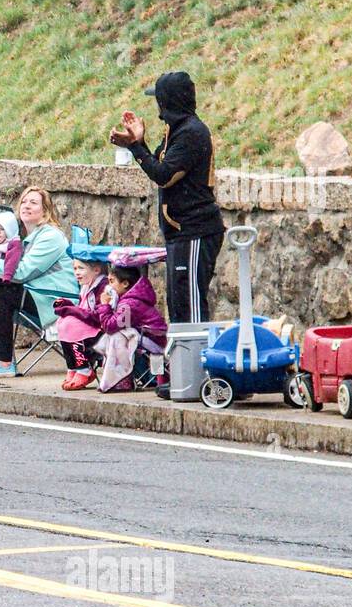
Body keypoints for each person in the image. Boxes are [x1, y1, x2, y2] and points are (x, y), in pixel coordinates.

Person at [110, 70, 224, 333]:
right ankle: (184, 359)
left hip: (195, 230)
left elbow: (164, 175)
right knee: (179, 305)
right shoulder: (176, 130)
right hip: (180, 233)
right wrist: (139, 142)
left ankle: (196, 359)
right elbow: (159, 164)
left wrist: (135, 147)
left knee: (191, 309)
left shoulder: (191, 133)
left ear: (166, 102)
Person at [0, 186, 77, 379]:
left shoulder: (50, 236)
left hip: (56, 300)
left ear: (46, 211)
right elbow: (4, 268)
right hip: (37, 294)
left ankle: (4, 362)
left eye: (33, 203)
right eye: (24, 202)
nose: (26, 206)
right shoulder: (22, 237)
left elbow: (23, 272)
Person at [93, 264, 168, 393]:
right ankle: (119, 379)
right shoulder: (127, 300)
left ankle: (119, 380)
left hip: (155, 341)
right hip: (148, 338)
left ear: (125, 283)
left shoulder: (129, 304)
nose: (108, 287)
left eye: (112, 281)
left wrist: (105, 306)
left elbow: (110, 326)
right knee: (116, 336)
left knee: (117, 336)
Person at [53, 258, 109, 390]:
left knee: (72, 325)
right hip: (91, 328)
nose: (77, 272)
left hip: (104, 329)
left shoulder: (103, 287)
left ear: (96, 270)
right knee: (63, 322)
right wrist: (68, 305)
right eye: (75, 269)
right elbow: (83, 310)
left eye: (81, 268)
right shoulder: (86, 286)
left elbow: (98, 316)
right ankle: (72, 367)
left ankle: (84, 368)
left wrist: (72, 310)